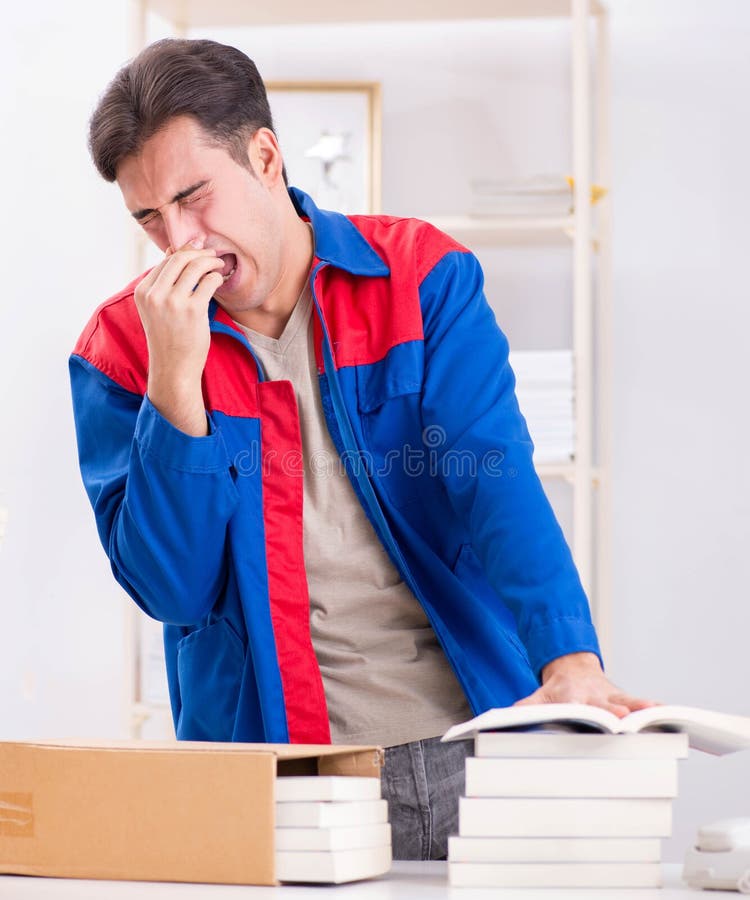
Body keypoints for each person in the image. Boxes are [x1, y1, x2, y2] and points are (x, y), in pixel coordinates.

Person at [70, 38, 652, 860]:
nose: (180, 241)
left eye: (194, 198)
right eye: (150, 219)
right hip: (276, 771)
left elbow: (491, 476)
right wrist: (175, 383)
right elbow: (172, 589)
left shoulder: (419, 277)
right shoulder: (120, 348)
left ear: (265, 155)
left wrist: (570, 659)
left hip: (472, 744)